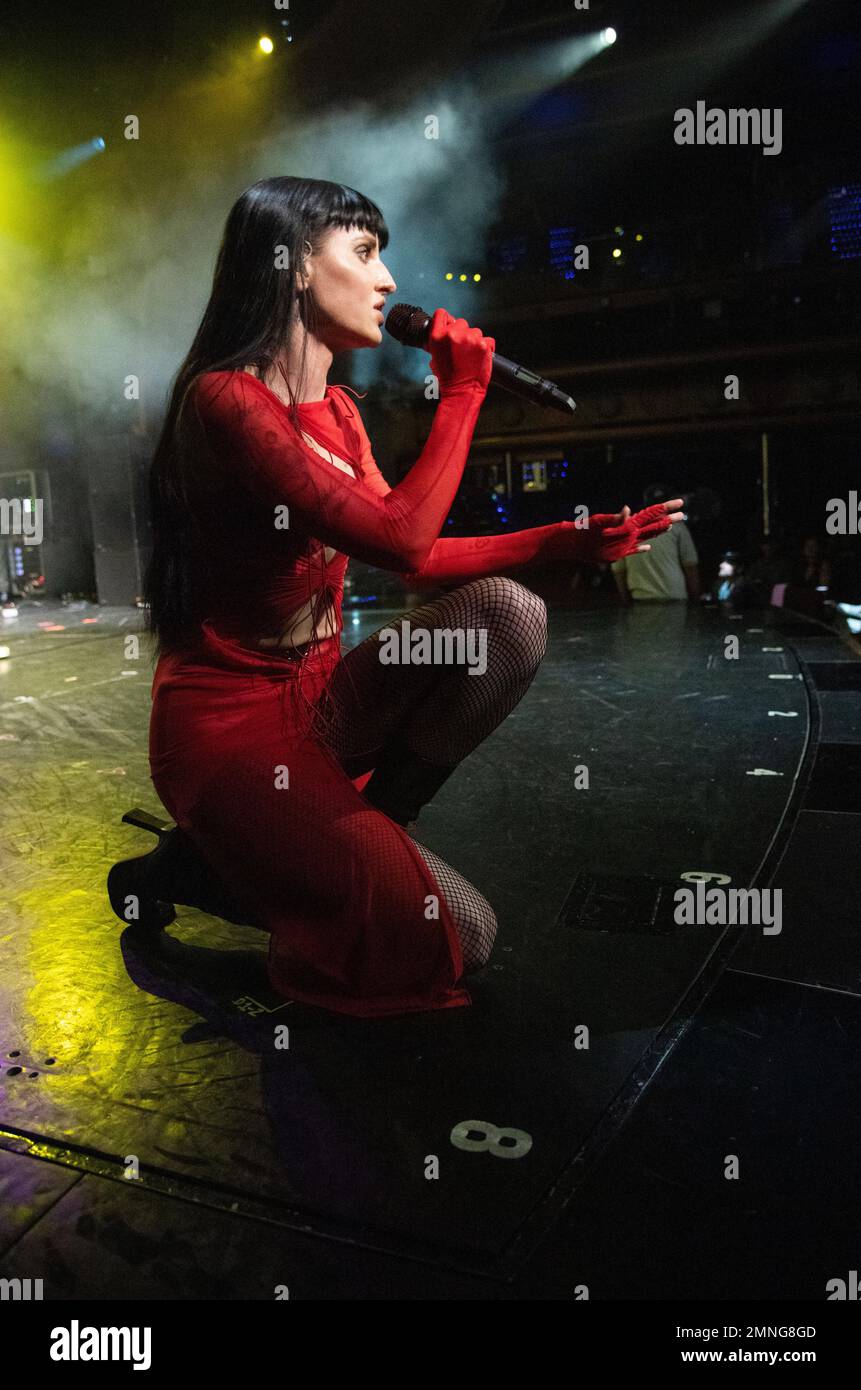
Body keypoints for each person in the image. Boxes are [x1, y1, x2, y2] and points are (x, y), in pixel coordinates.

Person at [109, 176, 683, 1018]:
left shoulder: (339, 411)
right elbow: (402, 539)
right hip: (229, 737)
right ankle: (223, 867)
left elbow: (416, 560)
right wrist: (462, 393)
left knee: (508, 616)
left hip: (321, 702)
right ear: (295, 265)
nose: (388, 280)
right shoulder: (227, 401)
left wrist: (561, 542)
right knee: (464, 936)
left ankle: (360, 836)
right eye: (367, 252)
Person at [611, 482, 700, 604]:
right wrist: (695, 603)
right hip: (675, 601)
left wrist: (626, 603)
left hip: (640, 602)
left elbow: (618, 570)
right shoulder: (678, 527)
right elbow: (690, 566)